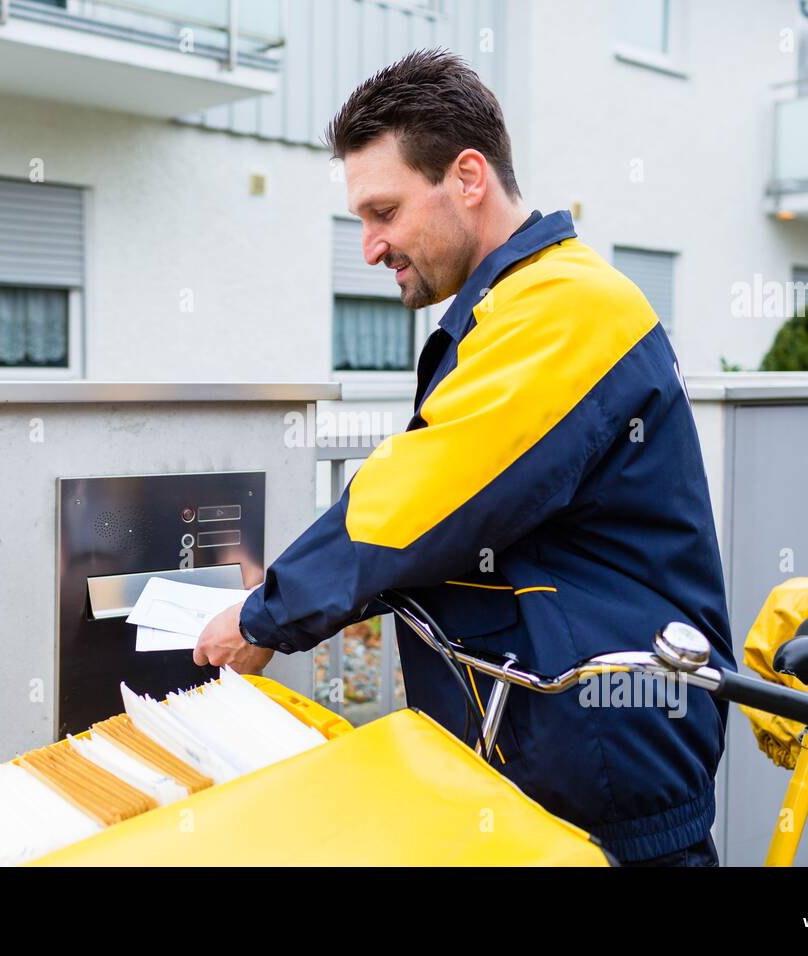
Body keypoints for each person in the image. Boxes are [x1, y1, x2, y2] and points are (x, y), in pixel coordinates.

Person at [195, 48, 732, 866]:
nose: (371, 247)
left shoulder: (567, 308)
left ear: (469, 177)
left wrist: (268, 615)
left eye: (384, 212)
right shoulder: (515, 308)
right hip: (559, 753)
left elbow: (424, 501)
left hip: (604, 775)